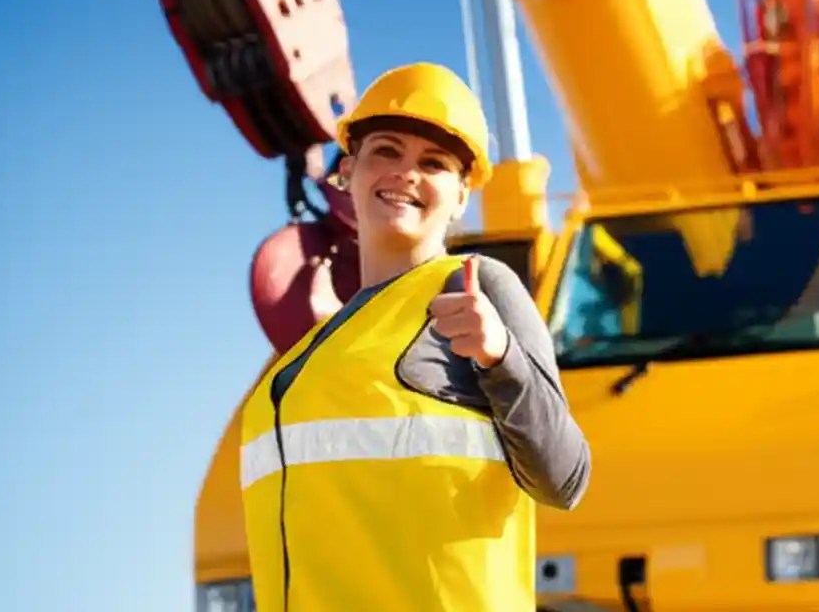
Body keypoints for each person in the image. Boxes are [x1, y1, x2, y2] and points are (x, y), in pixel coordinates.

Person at [237, 62, 591, 611]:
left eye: (434, 164)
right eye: (386, 151)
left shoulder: (476, 287)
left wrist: (500, 357)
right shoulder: (312, 350)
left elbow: (566, 478)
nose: (406, 172)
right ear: (347, 172)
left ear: (459, 198)